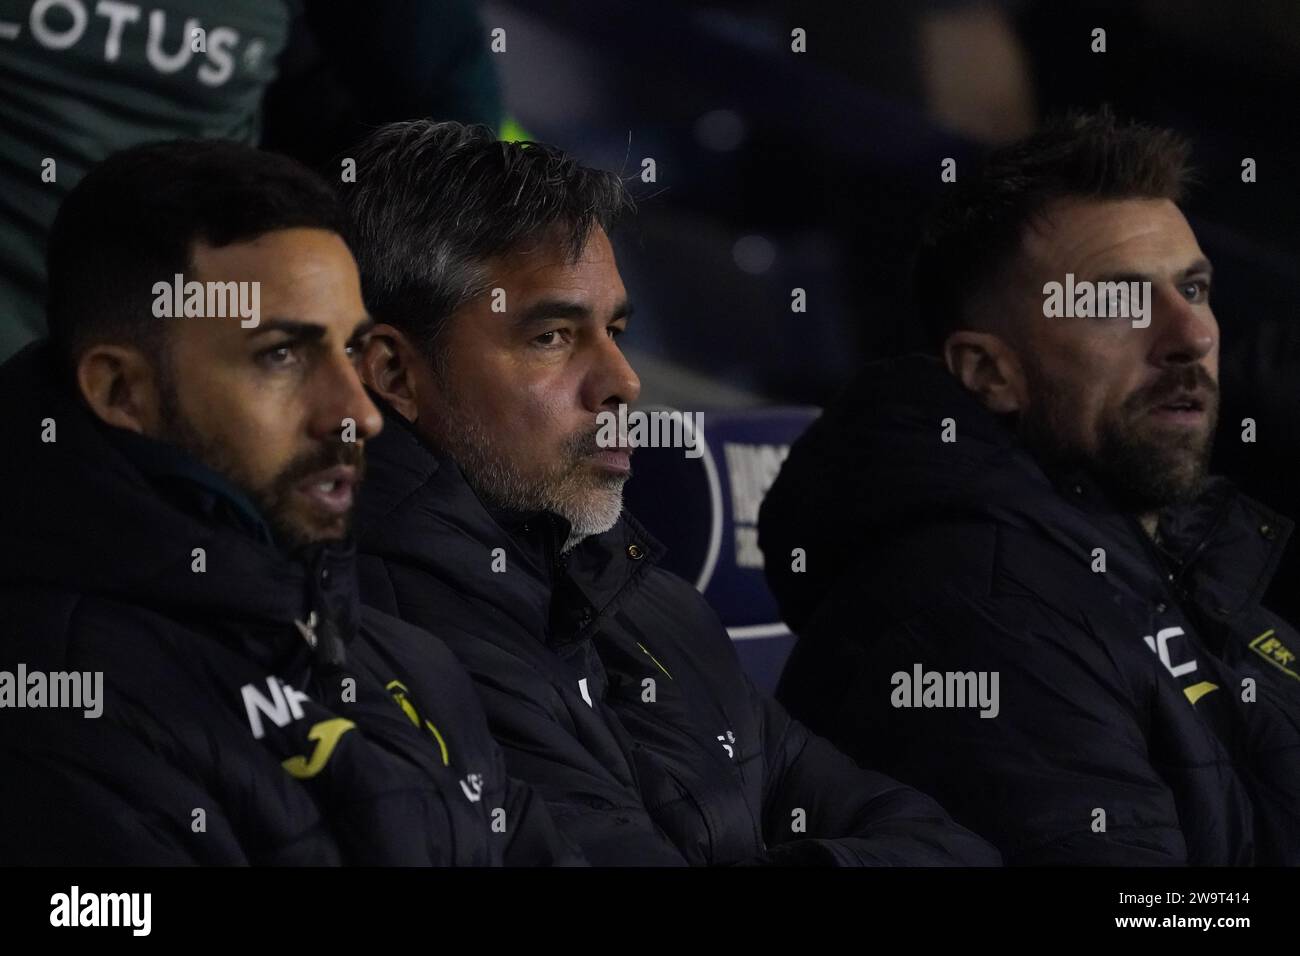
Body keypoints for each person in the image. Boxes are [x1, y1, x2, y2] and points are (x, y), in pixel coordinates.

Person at [343, 119, 1000, 866]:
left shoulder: (653, 604)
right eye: (551, 336)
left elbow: (950, 848)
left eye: (616, 330)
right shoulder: (381, 630)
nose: (622, 381)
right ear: (394, 373)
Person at [0, 138, 575, 866]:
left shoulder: (400, 656)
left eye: (350, 353)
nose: (358, 414)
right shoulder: (55, 703)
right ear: (122, 391)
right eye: (281, 356)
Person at [760, 110, 1300, 865]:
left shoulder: (1178, 547)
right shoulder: (974, 613)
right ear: (989, 372)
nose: (1193, 335)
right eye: (1118, 301)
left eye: (1195, 288)